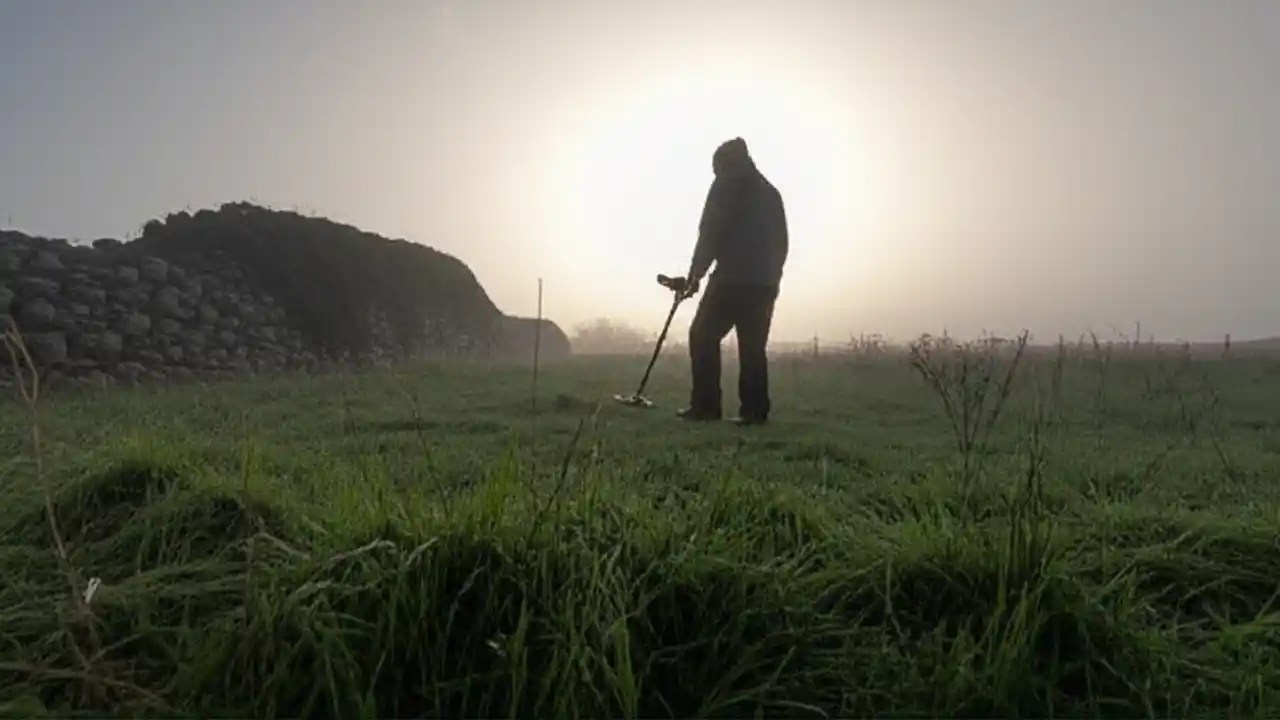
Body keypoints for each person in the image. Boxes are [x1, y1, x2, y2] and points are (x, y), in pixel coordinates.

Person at [672, 137, 788, 425]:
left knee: (702, 336)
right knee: (752, 347)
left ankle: (706, 407)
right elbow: (782, 241)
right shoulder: (771, 193)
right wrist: (772, 275)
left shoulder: (727, 185)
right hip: (765, 282)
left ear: (722, 163)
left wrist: (695, 274)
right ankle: (755, 412)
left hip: (733, 279)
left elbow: (711, 230)